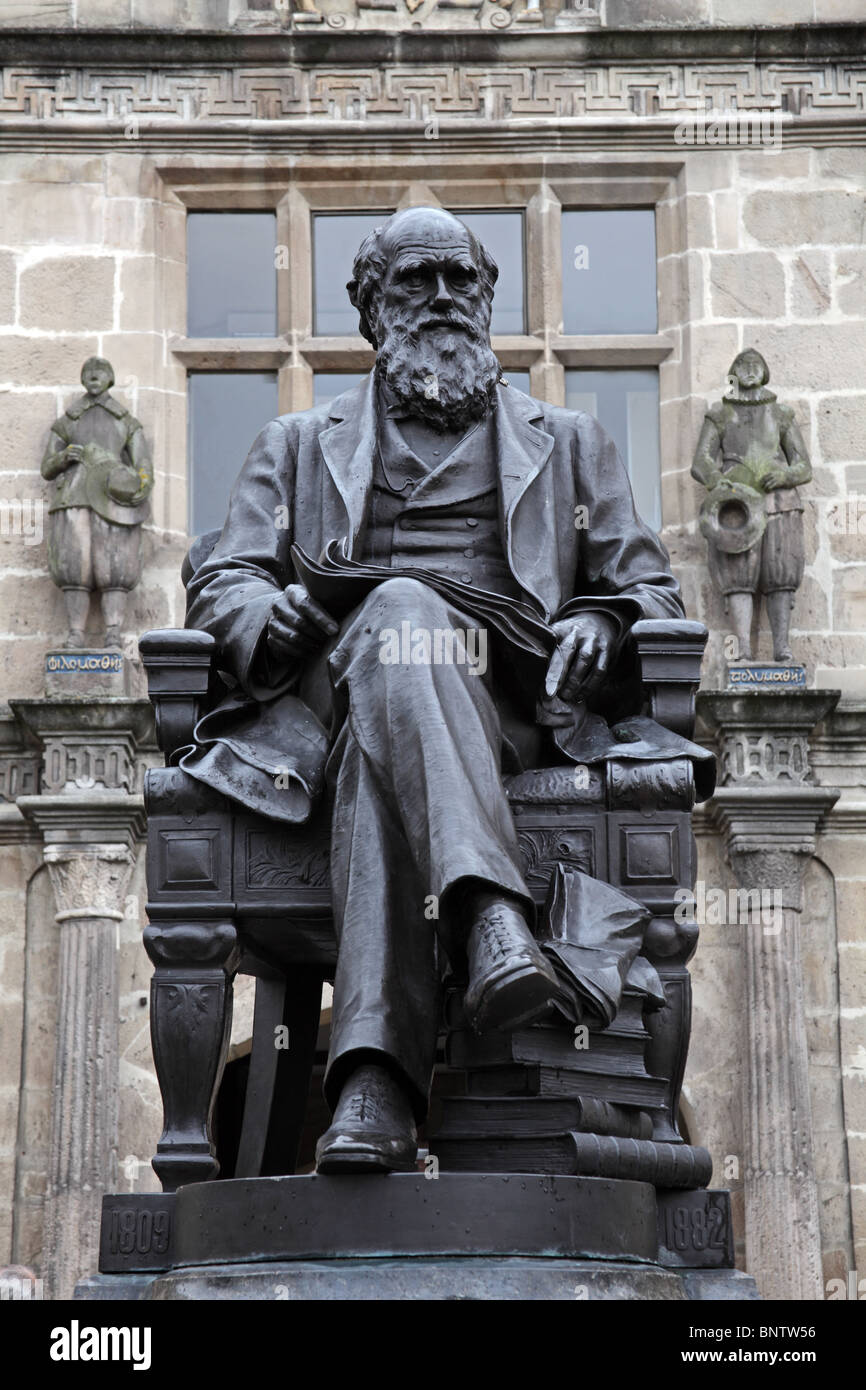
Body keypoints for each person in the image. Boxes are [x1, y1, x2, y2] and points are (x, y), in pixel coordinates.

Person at [185, 207, 693, 1172]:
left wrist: (606, 619)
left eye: (465, 282)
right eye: (417, 282)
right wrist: (263, 617)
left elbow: (650, 592)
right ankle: (491, 920)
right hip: (335, 700)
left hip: (515, 715)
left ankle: (376, 1085)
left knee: (389, 728)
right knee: (402, 612)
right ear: (373, 312)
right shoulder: (296, 443)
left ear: (489, 299)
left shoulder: (572, 443)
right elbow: (223, 579)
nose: (446, 300)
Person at [691, 348, 811, 664]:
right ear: (734, 371)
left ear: (765, 371)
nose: (749, 369)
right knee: (737, 574)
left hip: (779, 502)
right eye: (743, 364)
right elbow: (701, 462)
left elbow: (803, 467)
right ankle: (743, 650)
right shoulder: (720, 414)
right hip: (735, 502)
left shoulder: (781, 414)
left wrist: (784, 474)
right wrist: (719, 481)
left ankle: (782, 650)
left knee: (780, 573)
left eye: (755, 364)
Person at [42, 357, 153, 649]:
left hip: (112, 497)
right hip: (74, 496)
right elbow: (47, 467)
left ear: (110, 378)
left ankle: (113, 630)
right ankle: (75, 632)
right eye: (88, 372)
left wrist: (141, 486)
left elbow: (143, 462)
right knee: (74, 566)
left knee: (114, 566)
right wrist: (63, 457)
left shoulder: (124, 420)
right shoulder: (69, 420)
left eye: (100, 372)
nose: (93, 376)